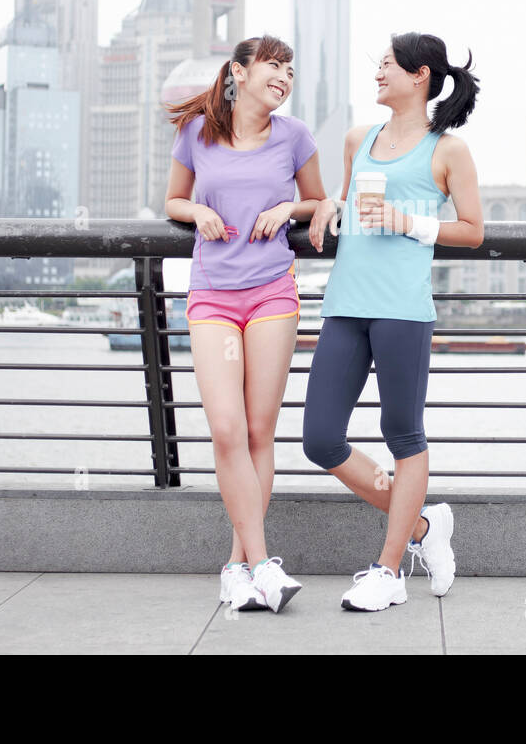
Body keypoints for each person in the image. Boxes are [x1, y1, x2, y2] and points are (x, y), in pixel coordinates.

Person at [304, 32, 484, 612]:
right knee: (320, 438)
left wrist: (410, 220)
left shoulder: (447, 150)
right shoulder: (359, 139)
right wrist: (330, 203)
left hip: (403, 309)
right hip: (345, 304)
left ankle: (387, 570)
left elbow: (473, 230)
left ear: (420, 75)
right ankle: (427, 529)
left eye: (386, 65)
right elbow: (344, 196)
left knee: (403, 436)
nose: (377, 73)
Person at [165, 35, 326, 613]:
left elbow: (319, 203)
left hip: (273, 295)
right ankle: (261, 565)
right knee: (227, 430)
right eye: (273, 67)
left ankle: (239, 568)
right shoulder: (198, 132)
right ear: (240, 71)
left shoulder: (295, 136)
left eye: (290, 68)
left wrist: (289, 208)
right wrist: (199, 211)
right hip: (212, 296)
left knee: (260, 432)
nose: (284, 76)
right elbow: (172, 203)